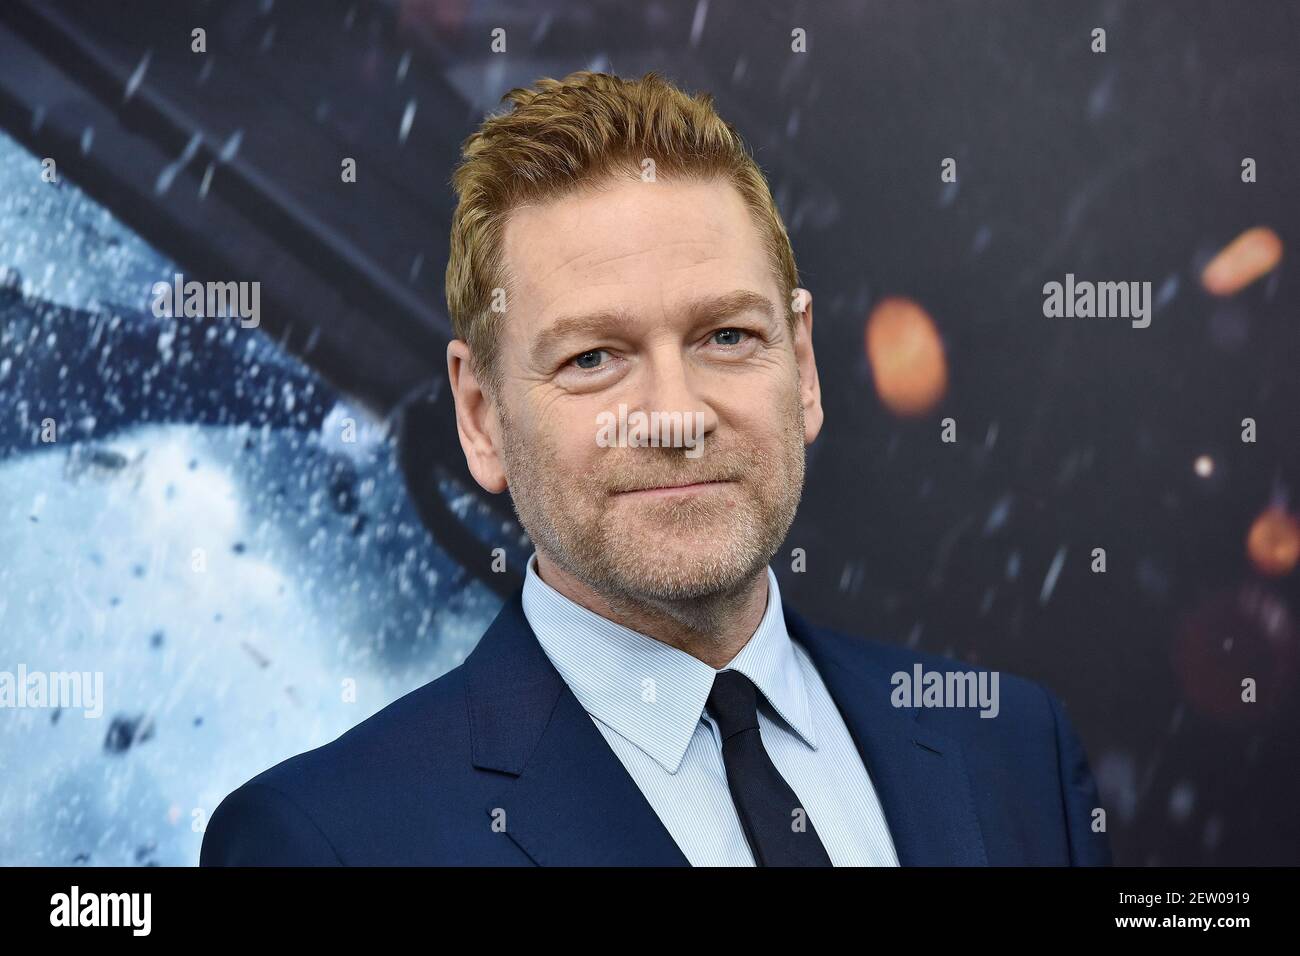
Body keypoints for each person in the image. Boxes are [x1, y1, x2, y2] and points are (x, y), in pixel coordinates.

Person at [201, 70, 1111, 866]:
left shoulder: (1012, 750)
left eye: (726, 336)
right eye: (593, 358)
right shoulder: (329, 843)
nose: (676, 416)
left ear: (803, 366)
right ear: (480, 416)